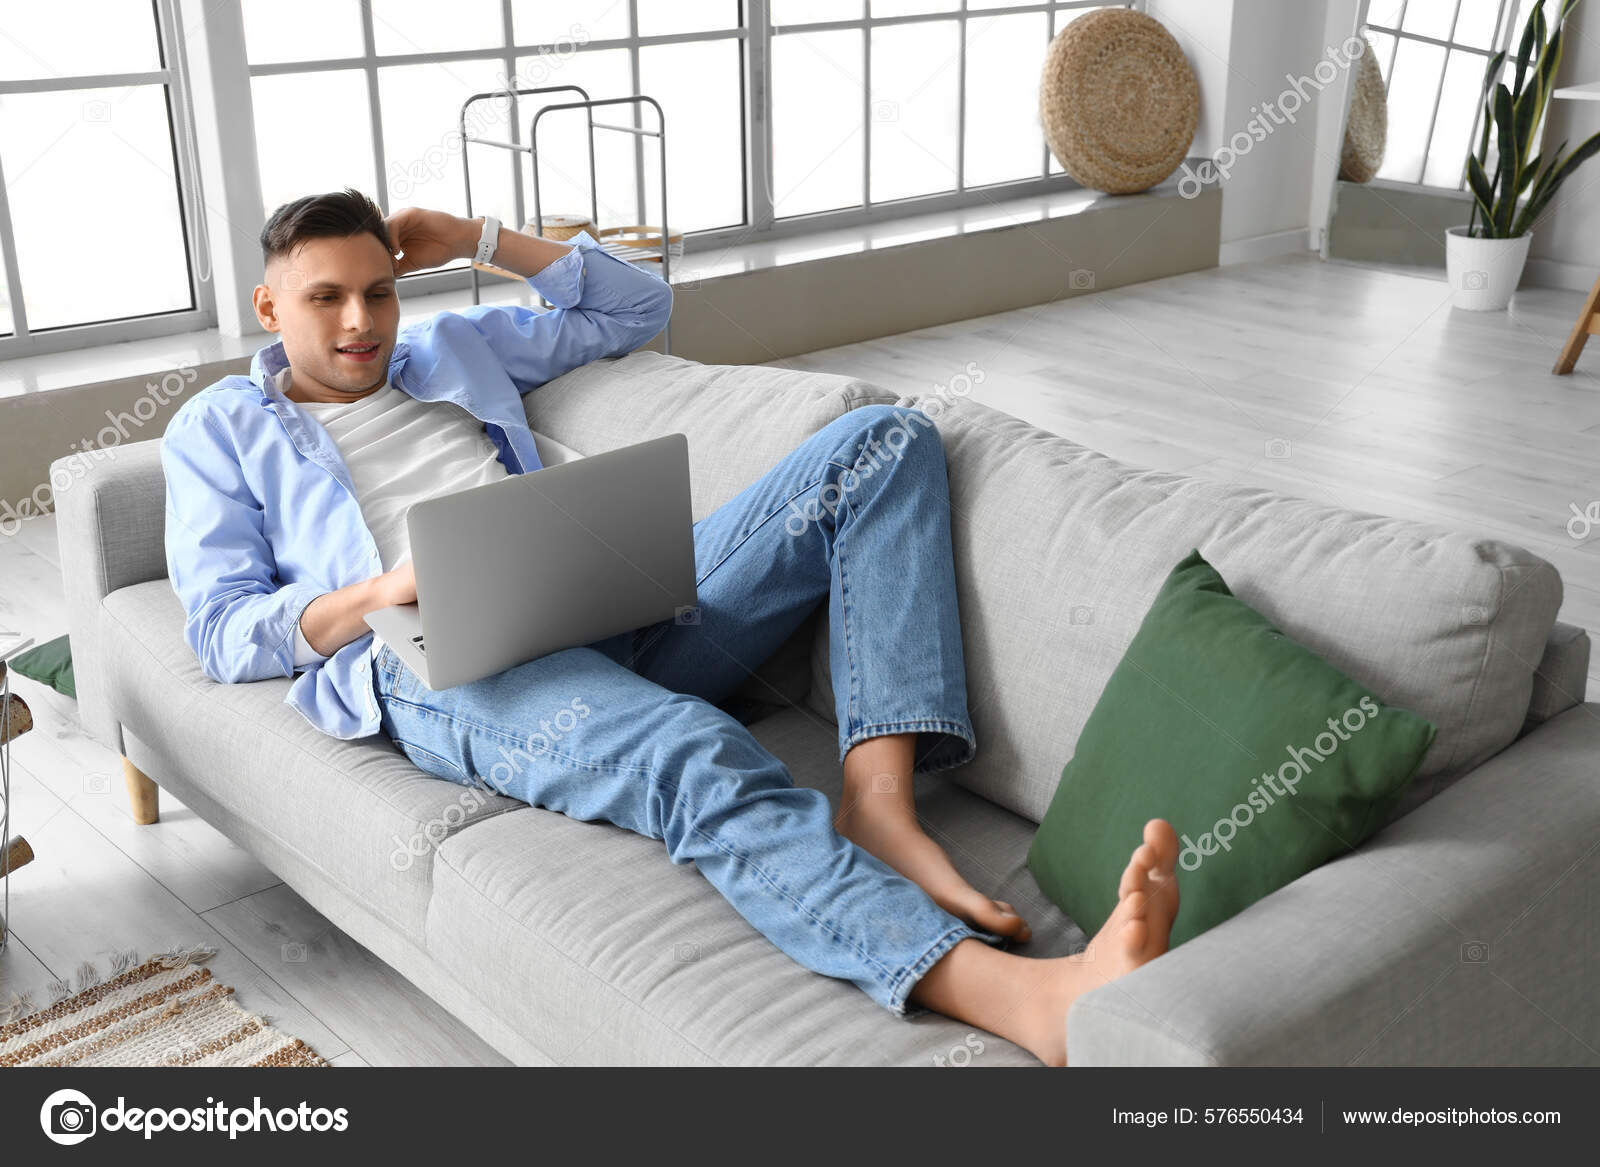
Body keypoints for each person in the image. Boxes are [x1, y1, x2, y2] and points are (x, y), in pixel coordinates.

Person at [161, 188, 1180, 1065]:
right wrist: (378, 594)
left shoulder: (455, 344)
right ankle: (1021, 1000)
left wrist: (476, 238)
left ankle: (882, 800)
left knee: (882, 441)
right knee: (689, 746)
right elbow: (222, 630)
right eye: (325, 297)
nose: (359, 322)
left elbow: (636, 305)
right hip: (438, 662)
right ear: (268, 305)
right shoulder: (220, 427)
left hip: (602, 589)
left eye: (377, 290)